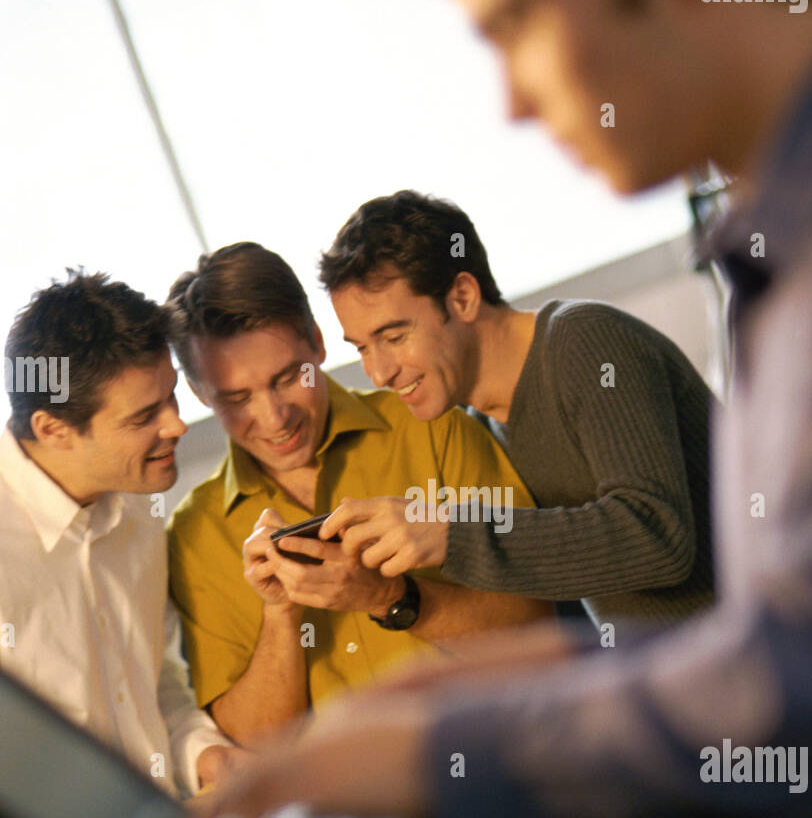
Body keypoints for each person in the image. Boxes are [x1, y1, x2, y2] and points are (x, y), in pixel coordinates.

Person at [212, 0, 812, 818]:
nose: (511, 102)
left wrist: (450, 752)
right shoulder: (794, 256)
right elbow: (777, 632)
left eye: (518, 22)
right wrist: (472, 661)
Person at [165, 242, 547, 747]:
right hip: (352, 811)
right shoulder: (195, 534)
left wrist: (389, 597)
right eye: (236, 399)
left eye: (287, 378)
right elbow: (253, 742)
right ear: (198, 396)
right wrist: (280, 616)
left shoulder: (432, 431)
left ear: (318, 342)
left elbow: (538, 627)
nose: (274, 417)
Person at [317, 189, 715, 640]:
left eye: (393, 336)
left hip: (770, 666)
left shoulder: (586, 343)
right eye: (363, 348)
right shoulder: (479, 422)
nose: (379, 372)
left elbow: (657, 539)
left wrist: (452, 534)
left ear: (463, 297)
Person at [0, 271, 239, 818]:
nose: (176, 426)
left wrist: (204, 754)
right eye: (144, 417)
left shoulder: (137, 514)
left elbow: (154, 681)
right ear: (53, 429)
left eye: (168, 398)